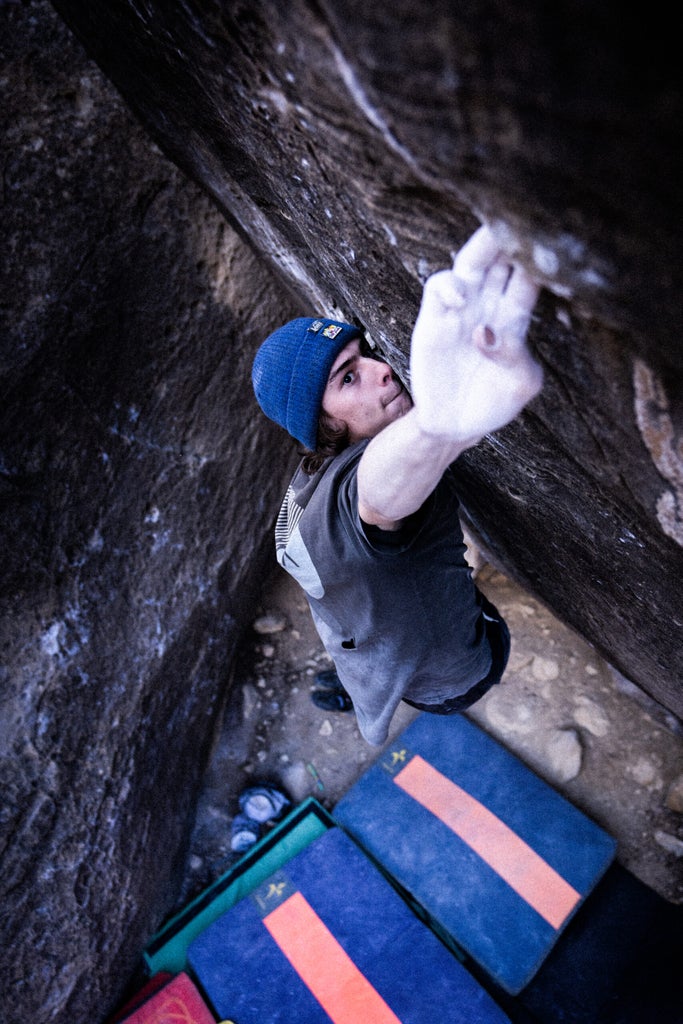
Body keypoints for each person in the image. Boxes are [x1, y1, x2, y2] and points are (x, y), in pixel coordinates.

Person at [252, 225, 543, 746]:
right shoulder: (357, 499)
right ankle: (388, 685)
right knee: (471, 631)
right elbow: (374, 499)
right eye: (348, 378)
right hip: (455, 678)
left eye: (364, 355)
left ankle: (364, 686)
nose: (384, 370)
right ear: (323, 426)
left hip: (363, 645)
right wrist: (436, 425)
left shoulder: (306, 486)